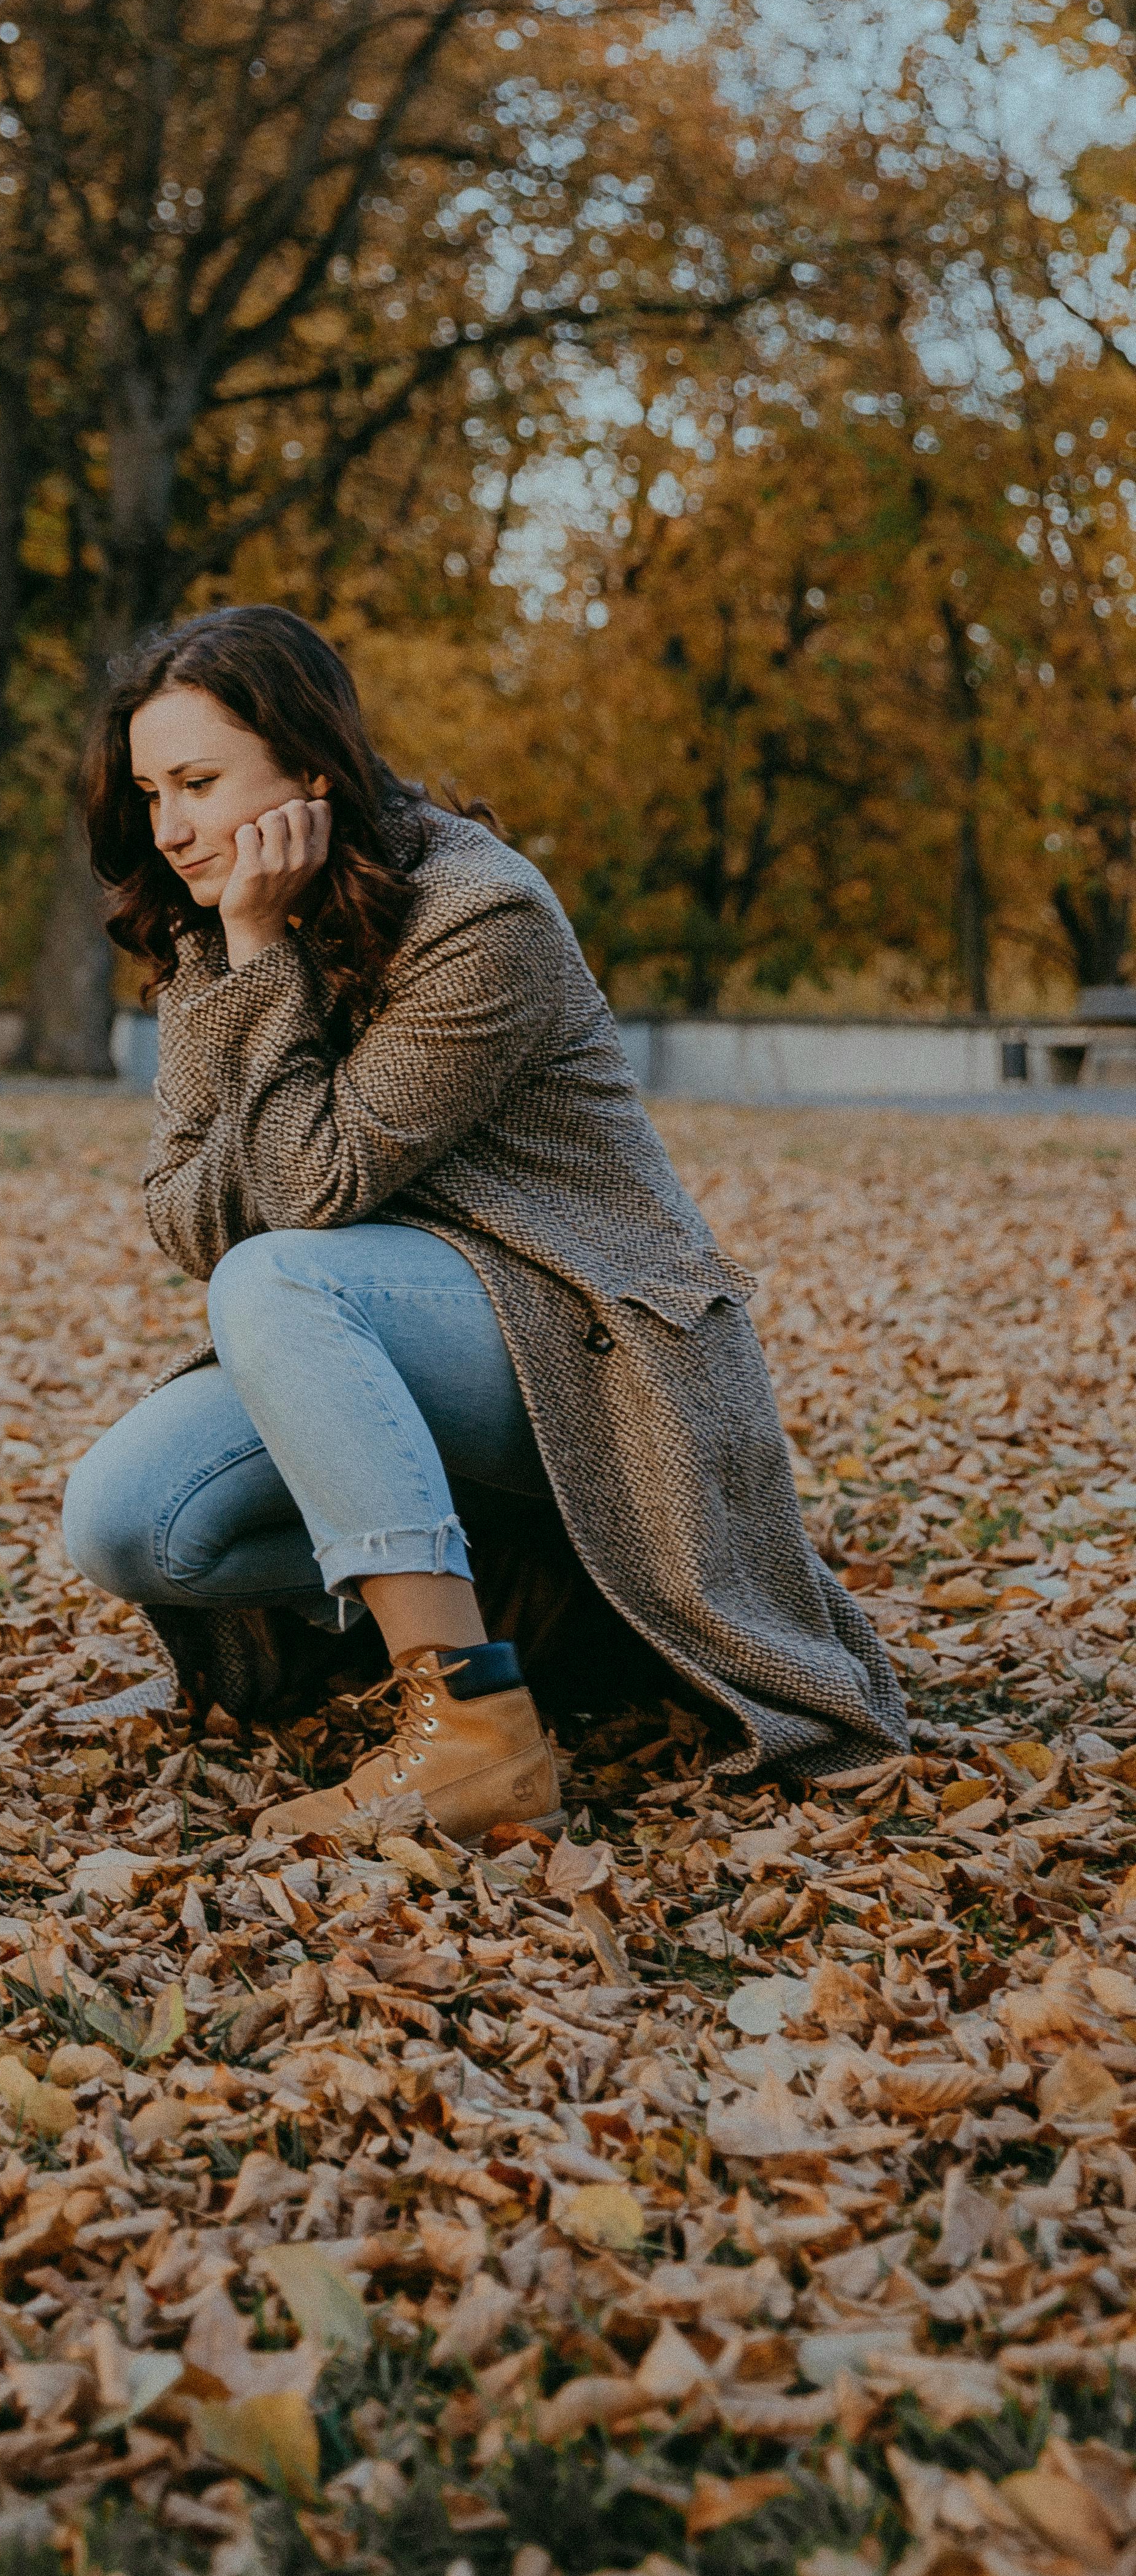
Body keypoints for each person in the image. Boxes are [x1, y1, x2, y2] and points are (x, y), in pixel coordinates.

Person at [59, 604, 905, 1839]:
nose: (170, 827)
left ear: (307, 771)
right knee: (127, 1522)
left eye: (198, 782)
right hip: (378, 1324)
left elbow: (295, 1200)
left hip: (585, 1333)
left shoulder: (475, 915)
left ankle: (466, 1727)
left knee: (279, 1281)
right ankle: (536, 1593)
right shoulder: (209, 934)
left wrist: (254, 958)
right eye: (150, 791)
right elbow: (181, 1214)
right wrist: (239, 960)